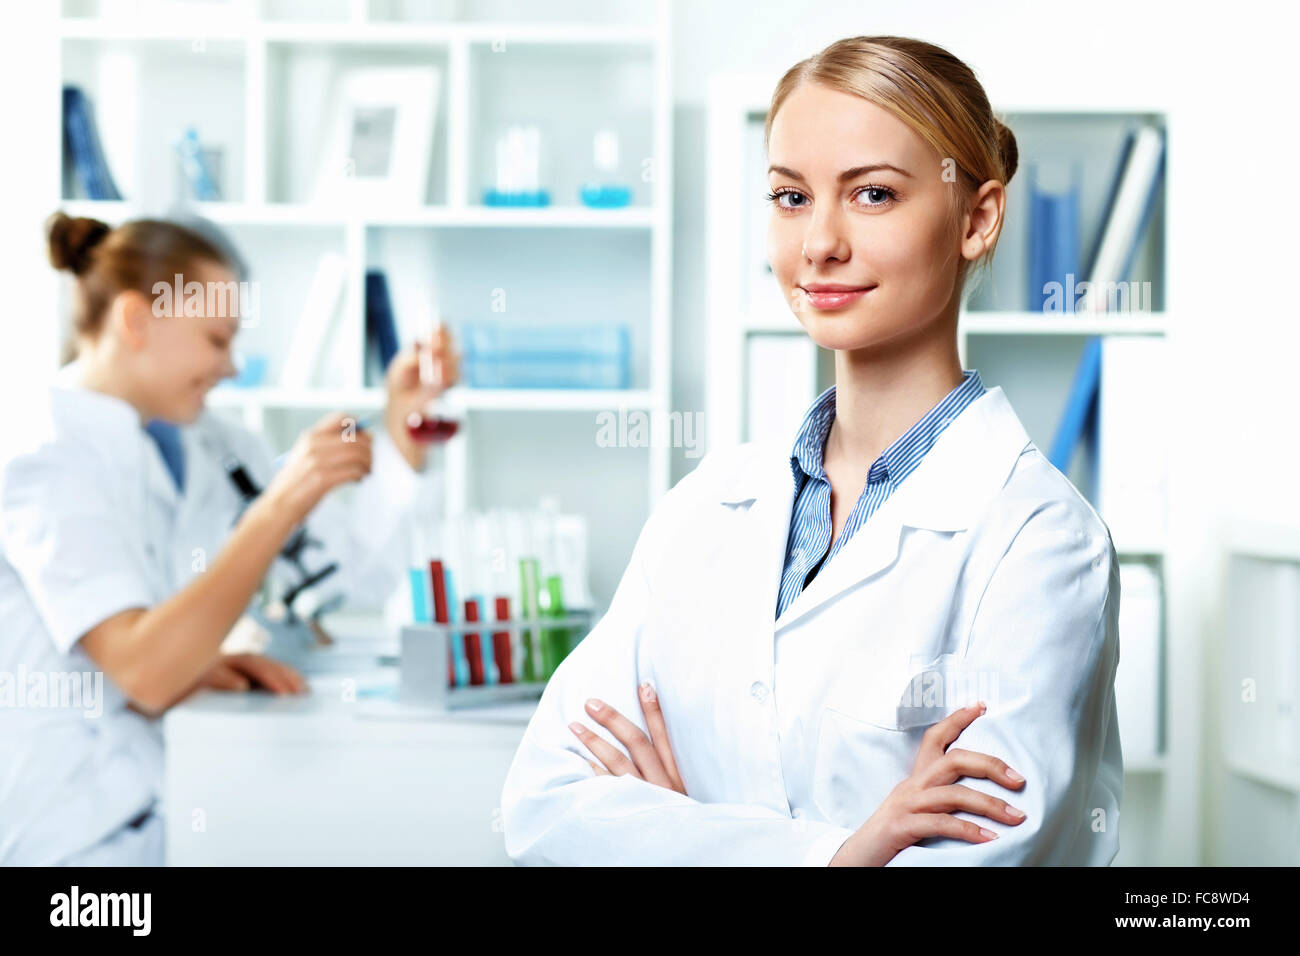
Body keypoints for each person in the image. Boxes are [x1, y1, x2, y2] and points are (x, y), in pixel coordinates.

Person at [500, 35, 1122, 866]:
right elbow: (541, 806)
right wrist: (844, 852)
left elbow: (976, 860)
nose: (818, 243)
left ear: (977, 218)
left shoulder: (1039, 543)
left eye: (871, 194)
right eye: (790, 197)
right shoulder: (707, 504)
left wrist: (672, 828)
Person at [0, 213, 458, 865]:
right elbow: (145, 670)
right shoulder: (43, 455)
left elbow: (353, 576)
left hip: (171, 806)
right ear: (136, 321)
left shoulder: (218, 446)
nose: (231, 366)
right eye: (216, 339)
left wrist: (404, 427)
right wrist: (279, 505)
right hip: (68, 838)